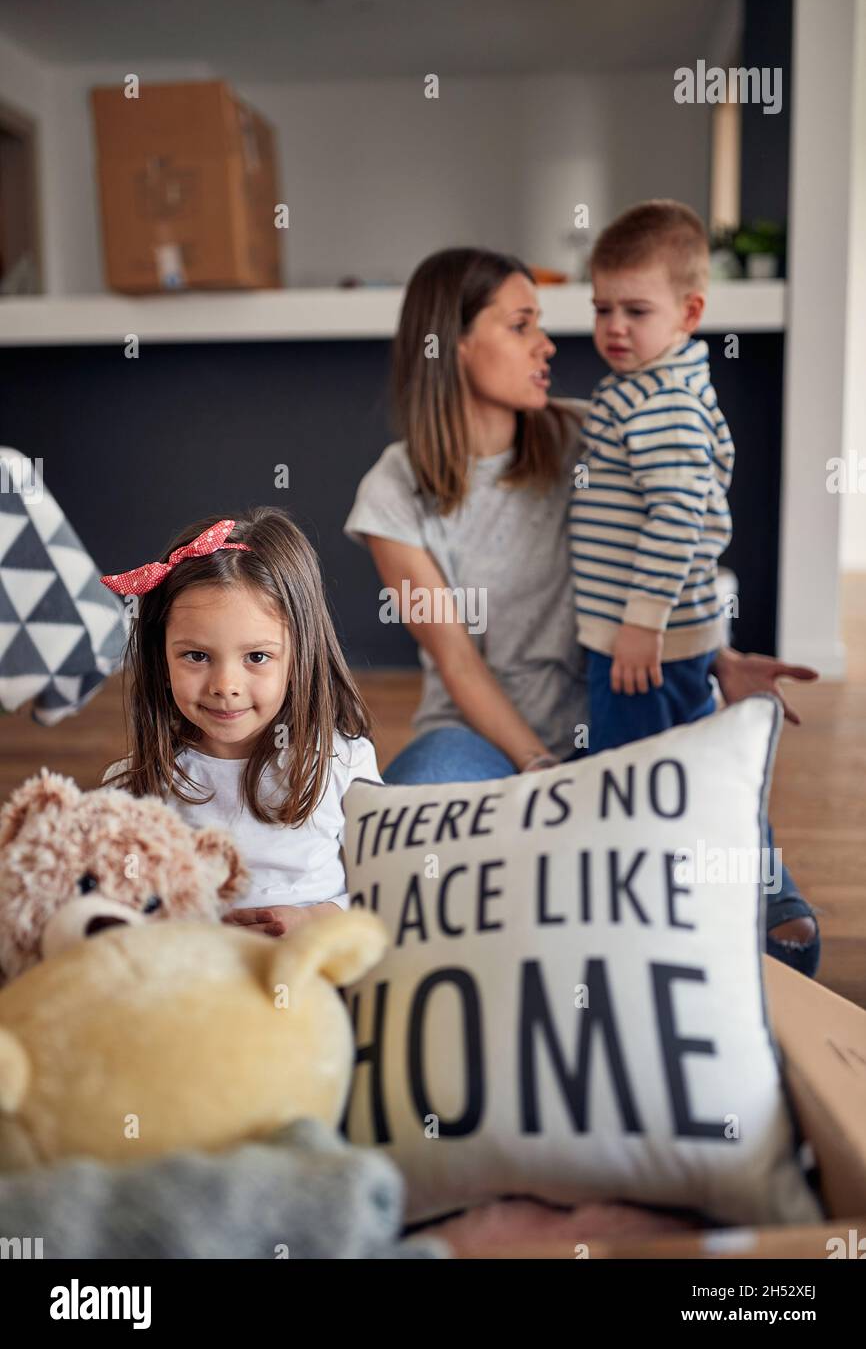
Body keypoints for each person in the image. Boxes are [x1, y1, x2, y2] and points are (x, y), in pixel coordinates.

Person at [344, 246, 820, 974]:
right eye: (521, 324)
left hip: (613, 716)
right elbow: (456, 660)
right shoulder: (392, 492)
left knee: (753, 904)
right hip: (481, 737)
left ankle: (753, 925)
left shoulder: (589, 437)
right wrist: (539, 769)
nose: (548, 345)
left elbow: (673, 549)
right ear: (455, 342)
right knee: (404, 832)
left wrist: (714, 658)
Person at [101, 508, 380, 937]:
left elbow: (385, 887)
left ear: (300, 655)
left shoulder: (341, 763)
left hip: (309, 975)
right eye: (196, 656)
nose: (225, 685)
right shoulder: (135, 785)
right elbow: (116, 906)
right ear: (162, 656)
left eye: (257, 657)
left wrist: (314, 920)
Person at [571, 200, 734, 752]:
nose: (615, 327)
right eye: (602, 309)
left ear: (689, 313)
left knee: (632, 774)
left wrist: (643, 624)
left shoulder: (664, 400)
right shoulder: (642, 386)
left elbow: (677, 516)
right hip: (640, 633)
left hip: (643, 640)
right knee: (665, 765)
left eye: (636, 312)